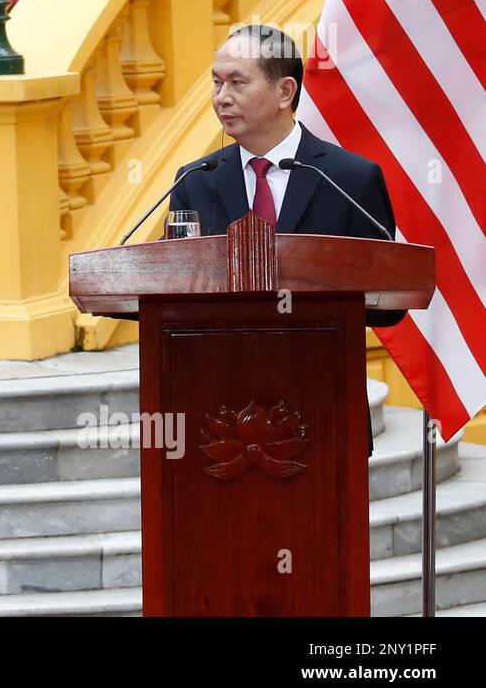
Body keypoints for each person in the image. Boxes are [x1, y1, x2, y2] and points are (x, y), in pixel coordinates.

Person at [169, 23, 405, 456]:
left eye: (238, 82)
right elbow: (172, 291)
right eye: (217, 83)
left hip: (324, 405)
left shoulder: (349, 178)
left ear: (284, 91)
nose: (221, 97)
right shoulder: (195, 182)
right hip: (216, 415)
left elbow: (388, 305)